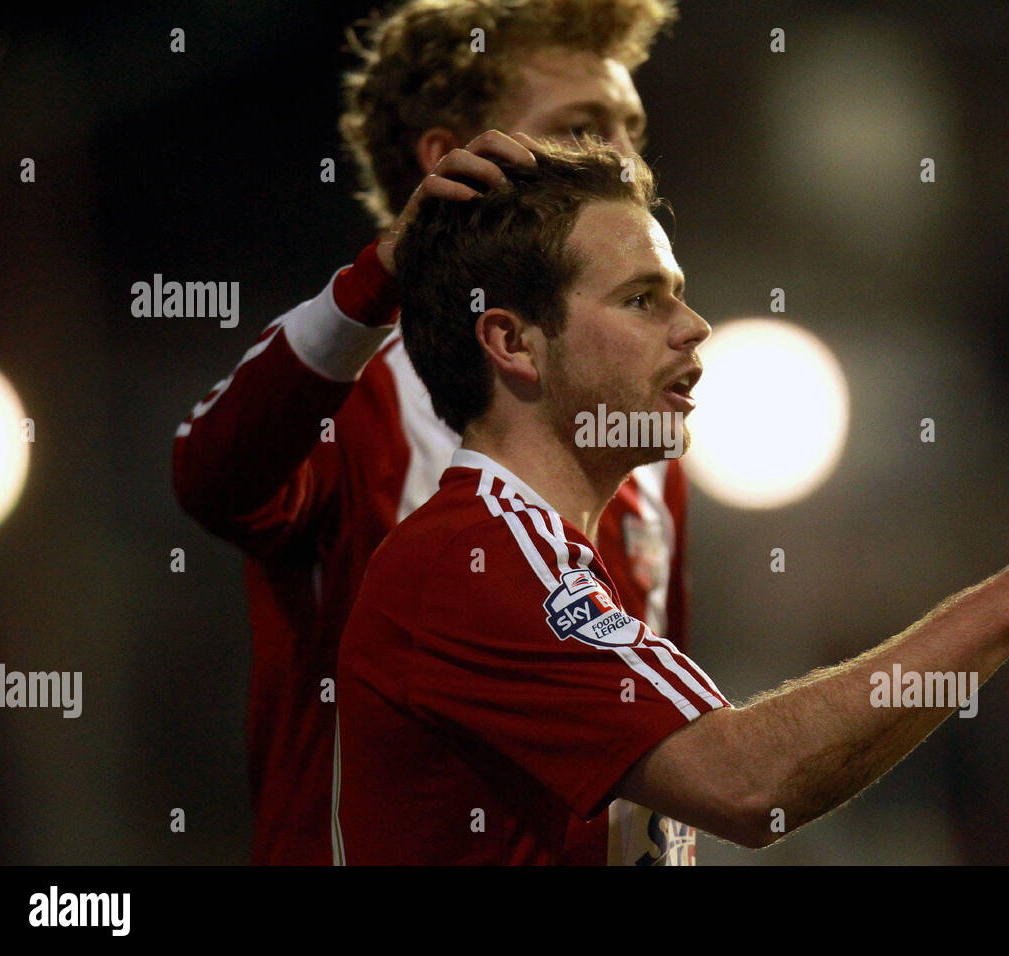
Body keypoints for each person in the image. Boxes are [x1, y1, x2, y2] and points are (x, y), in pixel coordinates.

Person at [334, 139, 1009, 864]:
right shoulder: (470, 557)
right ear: (514, 343)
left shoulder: (560, 564)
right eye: (642, 298)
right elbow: (744, 783)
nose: (694, 325)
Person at [171, 0, 687, 865]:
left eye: (629, 127)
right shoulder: (345, 403)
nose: (627, 161)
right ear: (451, 163)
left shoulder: (636, 429)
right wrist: (378, 279)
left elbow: (655, 729)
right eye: (582, 129)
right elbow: (209, 478)